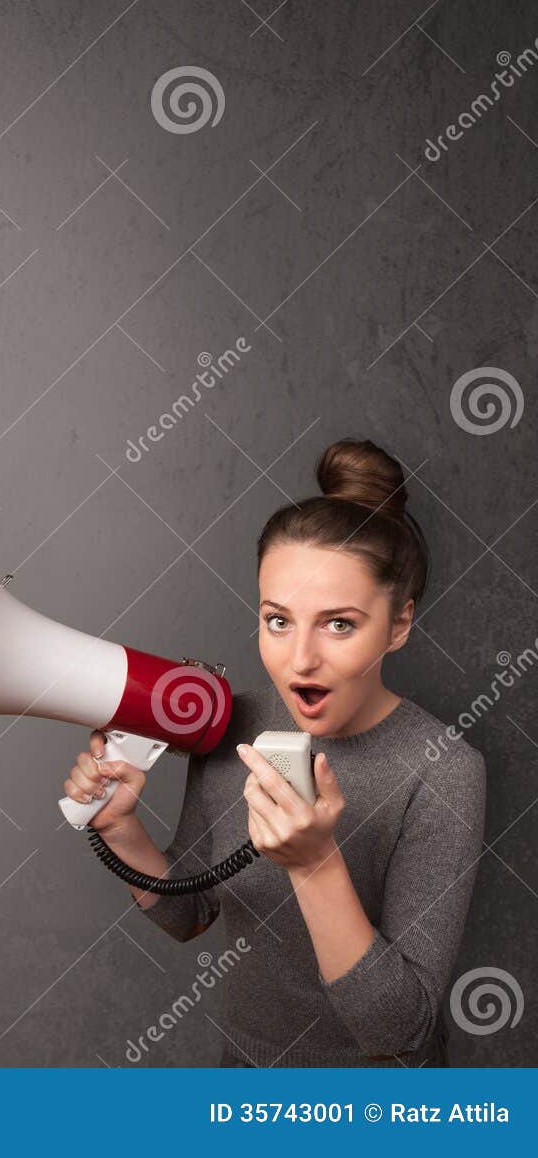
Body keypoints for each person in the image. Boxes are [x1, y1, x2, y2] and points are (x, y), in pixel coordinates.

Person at [63, 438, 486, 1066]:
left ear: (398, 624)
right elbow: (191, 912)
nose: (301, 659)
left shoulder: (444, 774)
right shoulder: (232, 721)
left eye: (339, 623)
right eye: (278, 621)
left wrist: (315, 866)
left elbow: (400, 1030)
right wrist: (123, 829)